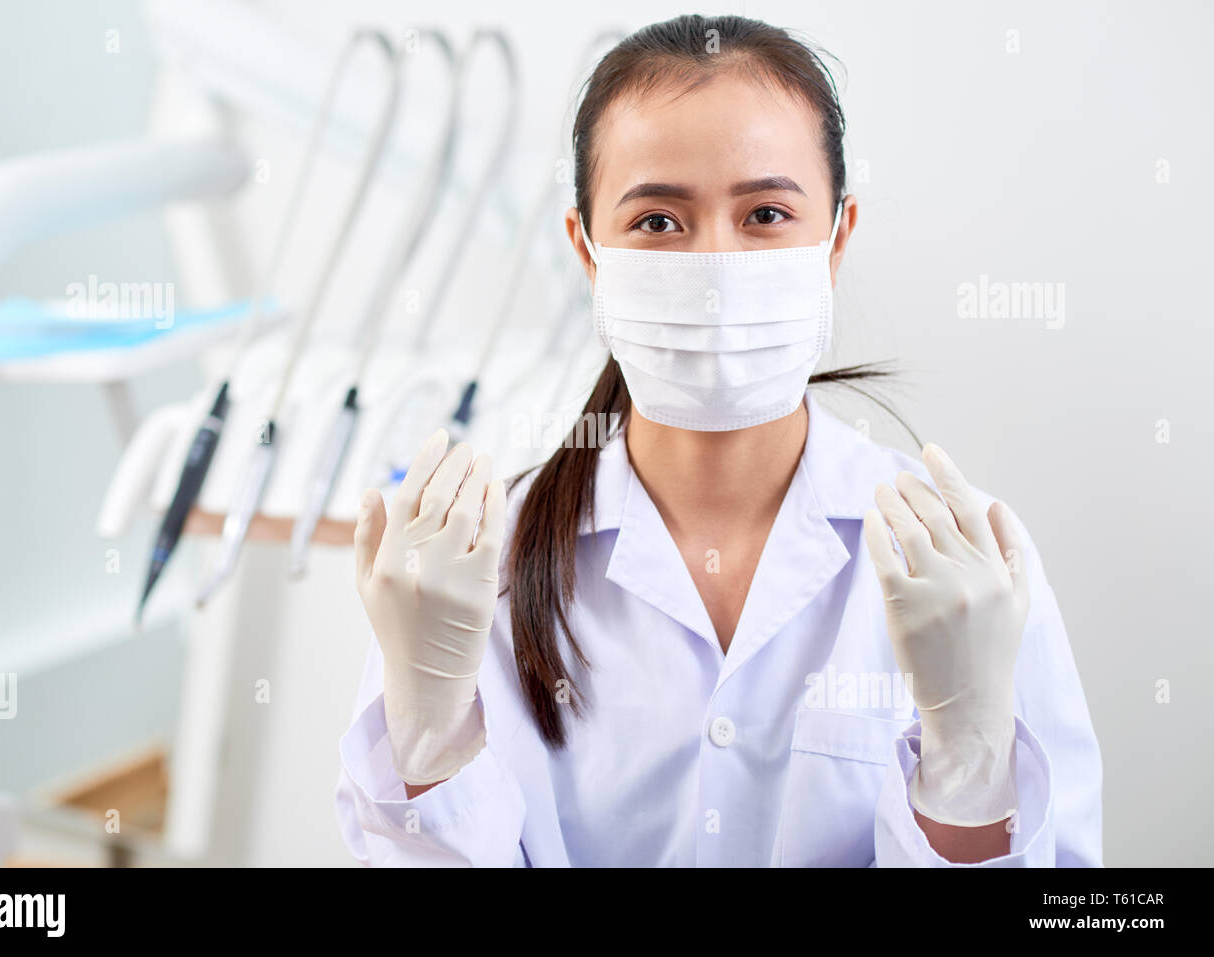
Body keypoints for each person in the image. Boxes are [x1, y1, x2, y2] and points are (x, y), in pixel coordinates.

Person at [334, 14, 1102, 866]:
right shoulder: (474, 573)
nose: (713, 271)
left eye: (766, 213)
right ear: (587, 252)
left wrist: (971, 762)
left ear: (836, 239)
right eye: (658, 221)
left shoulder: (975, 570)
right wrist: (429, 735)